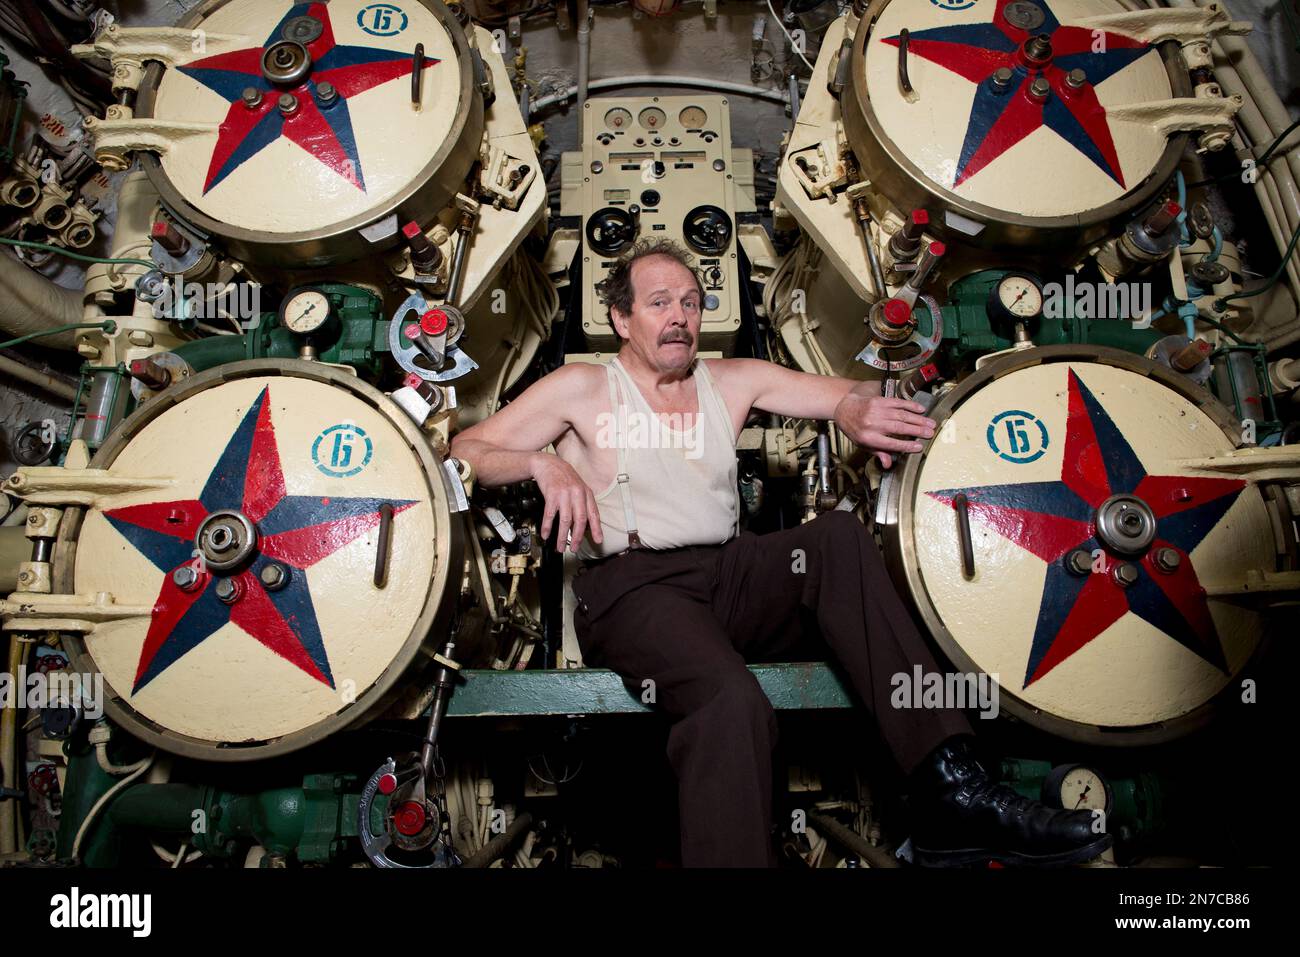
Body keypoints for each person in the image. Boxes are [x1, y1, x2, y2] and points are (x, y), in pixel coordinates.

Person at [450, 237, 1110, 868]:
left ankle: (951, 792)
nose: (679, 316)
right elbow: (467, 449)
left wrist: (854, 406)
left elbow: (846, 393)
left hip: (728, 574)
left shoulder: (732, 379)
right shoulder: (582, 388)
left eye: (689, 301)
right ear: (621, 317)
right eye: (658, 303)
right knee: (730, 702)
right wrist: (541, 463)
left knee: (834, 539)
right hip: (632, 590)